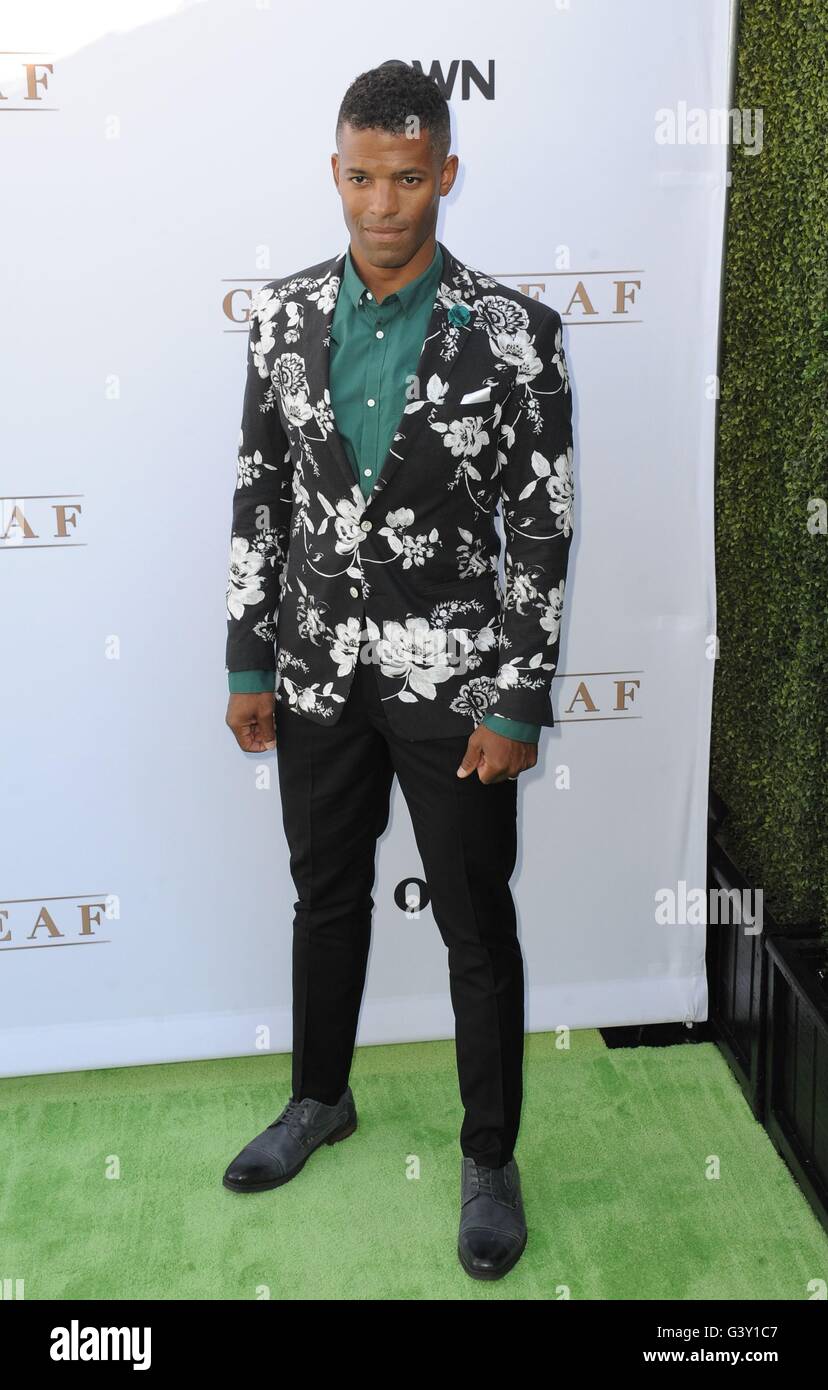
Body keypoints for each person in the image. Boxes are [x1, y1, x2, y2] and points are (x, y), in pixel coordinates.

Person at [221, 61, 575, 1282]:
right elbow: (261, 494)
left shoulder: (519, 338)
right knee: (325, 897)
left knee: (475, 926)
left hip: (460, 690)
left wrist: (520, 697)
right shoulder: (277, 320)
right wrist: (246, 653)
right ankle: (319, 1098)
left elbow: (542, 526)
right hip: (316, 674)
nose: (383, 204)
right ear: (336, 173)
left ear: (446, 177)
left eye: (408, 178)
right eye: (363, 177)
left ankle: (489, 1156)